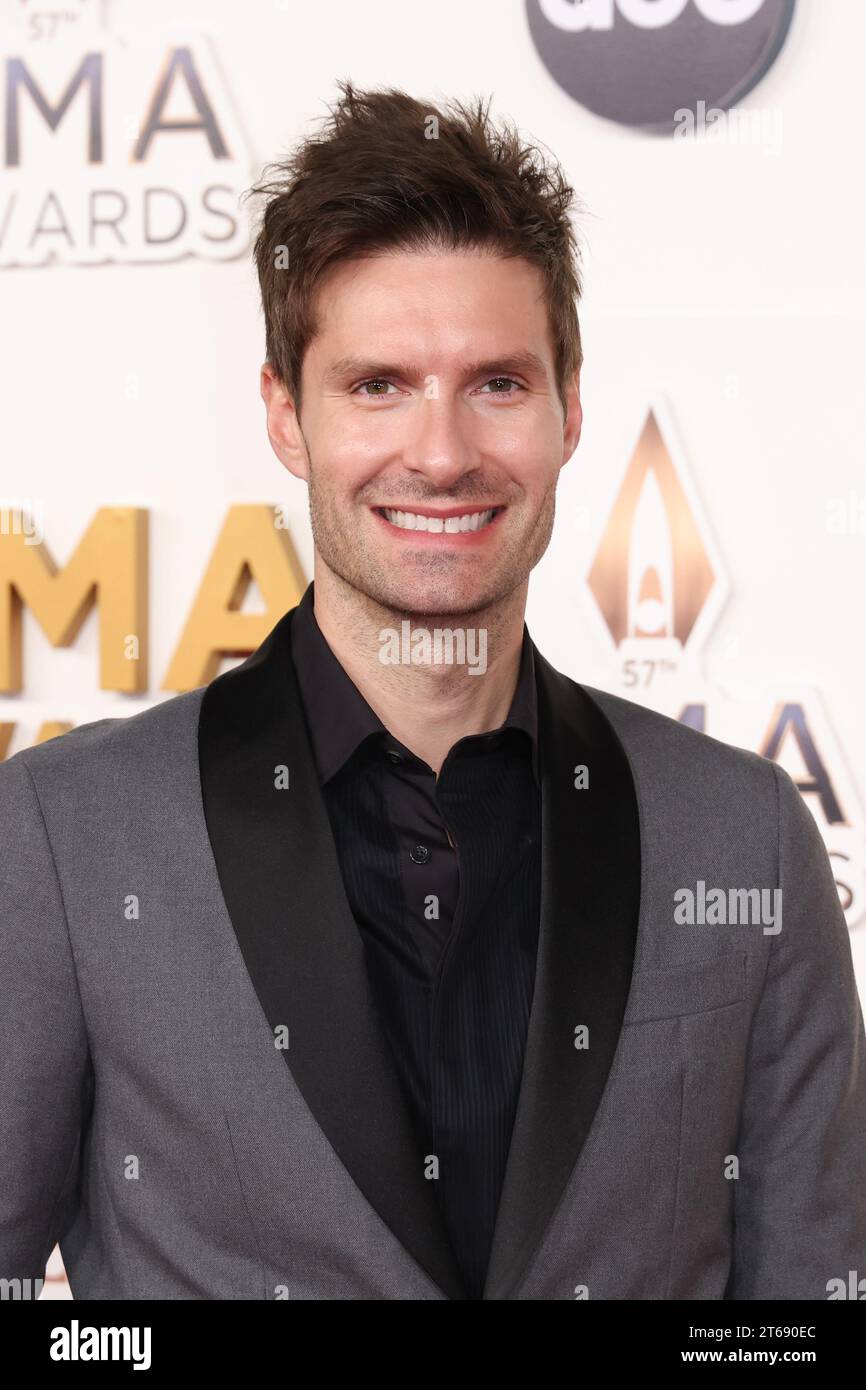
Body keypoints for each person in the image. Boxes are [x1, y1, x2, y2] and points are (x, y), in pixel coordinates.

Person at [1, 81, 864, 1301]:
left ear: (569, 407)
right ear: (283, 415)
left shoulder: (744, 837)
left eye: (496, 384)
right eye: (377, 385)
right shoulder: (62, 836)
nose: (443, 452)